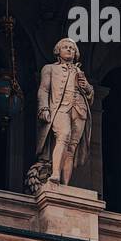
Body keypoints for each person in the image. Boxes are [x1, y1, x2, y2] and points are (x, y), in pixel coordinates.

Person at [33, 38, 93, 186]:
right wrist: (44, 108)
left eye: (72, 48)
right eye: (65, 47)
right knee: (63, 135)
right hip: (60, 108)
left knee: (72, 147)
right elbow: (44, 89)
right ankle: (55, 173)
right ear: (58, 51)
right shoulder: (50, 68)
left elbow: (90, 94)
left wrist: (86, 87)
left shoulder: (79, 71)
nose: (69, 50)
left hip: (79, 110)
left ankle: (65, 185)